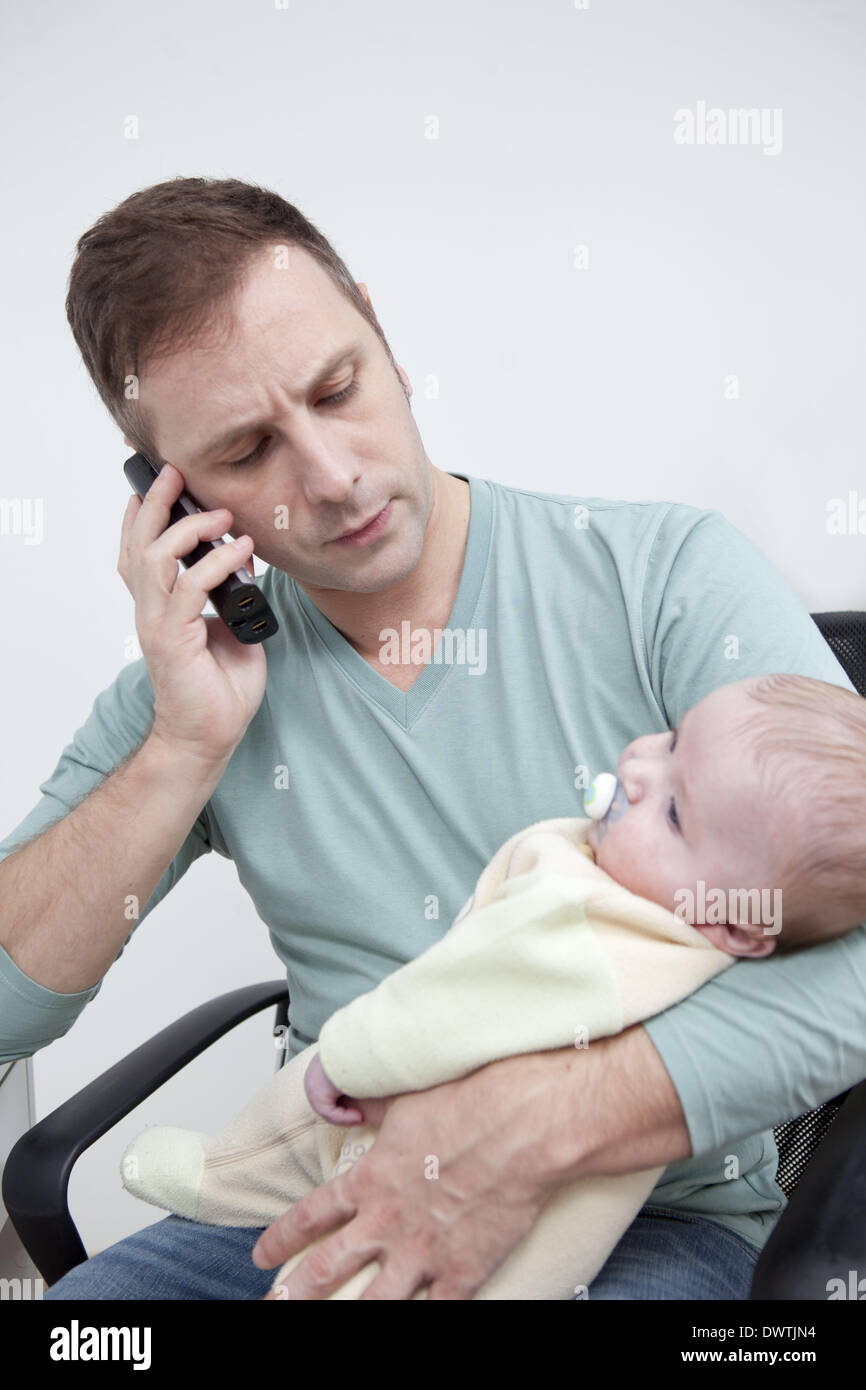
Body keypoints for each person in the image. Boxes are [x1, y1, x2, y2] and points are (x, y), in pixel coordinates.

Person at [1, 177, 863, 1301]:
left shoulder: (662, 575)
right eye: (249, 449)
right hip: (325, 1189)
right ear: (171, 497)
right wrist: (179, 750)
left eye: (336, 387)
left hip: (645, 1218)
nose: (332, 475)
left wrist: (535, 1128)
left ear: (382, 333)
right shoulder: (186, 697)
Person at [114, 673, 866, 1300]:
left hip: (557, 1220)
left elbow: (459, 1003)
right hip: (412, 1168)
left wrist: (353, 1056)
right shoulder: (670, 903)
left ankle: (240, 1192)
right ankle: (226, 1179)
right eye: (671, 739)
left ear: (734, 923)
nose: (639, 769)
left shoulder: (601, 935)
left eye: (673, 809)